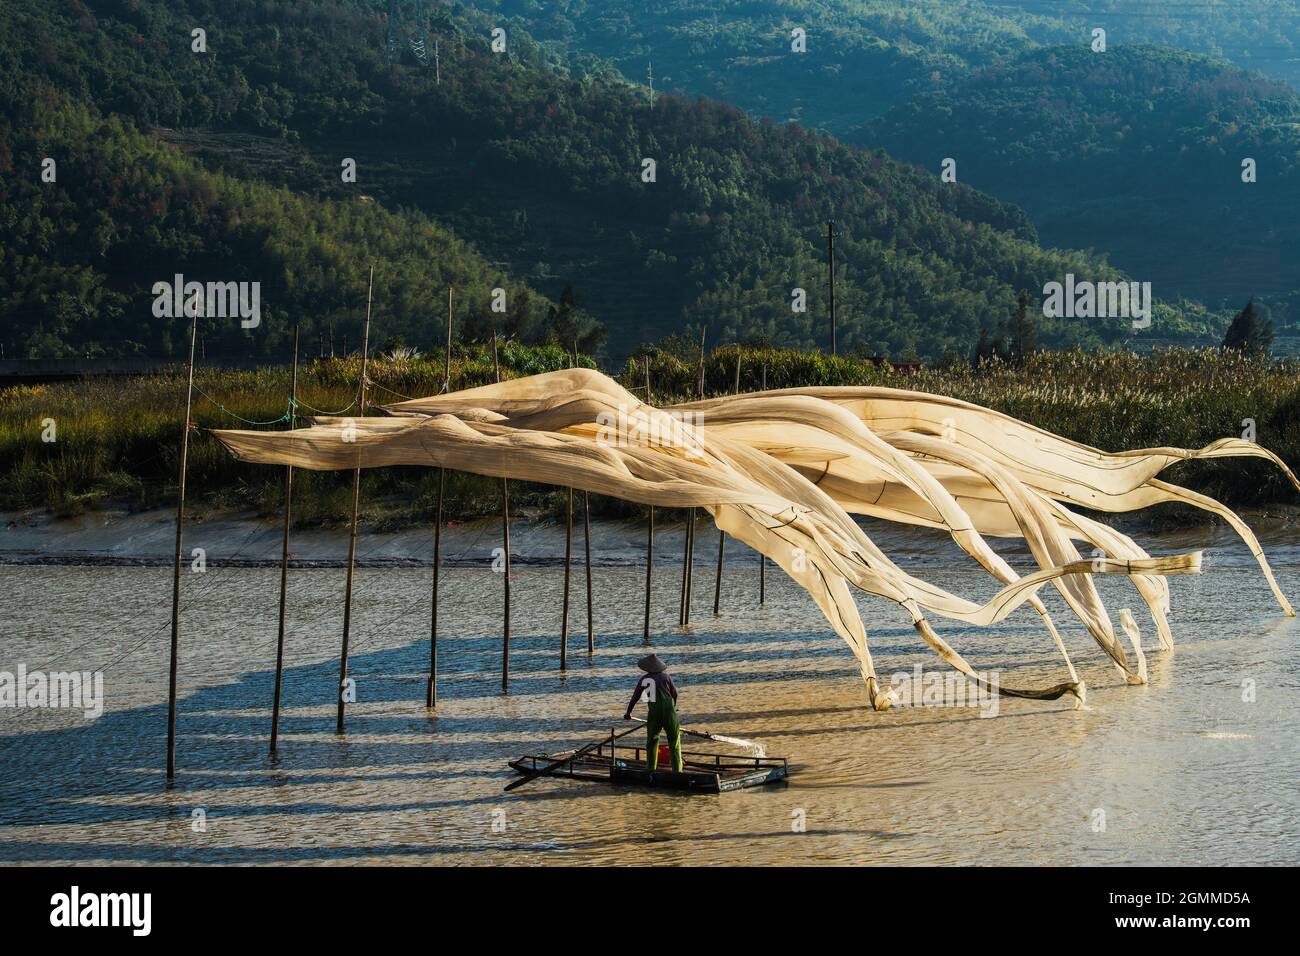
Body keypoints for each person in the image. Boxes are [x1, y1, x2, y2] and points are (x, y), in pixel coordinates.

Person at [623, 654, 682, 772]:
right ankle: (677, 771)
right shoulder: (666, 677)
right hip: (669, 712)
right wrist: (673, 709)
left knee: (652, 741)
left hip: (654, 713)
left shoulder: (645, 680)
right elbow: (674, 694)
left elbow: (636, 697)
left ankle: (651, 769)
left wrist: (628, 712)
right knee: (674, 741)